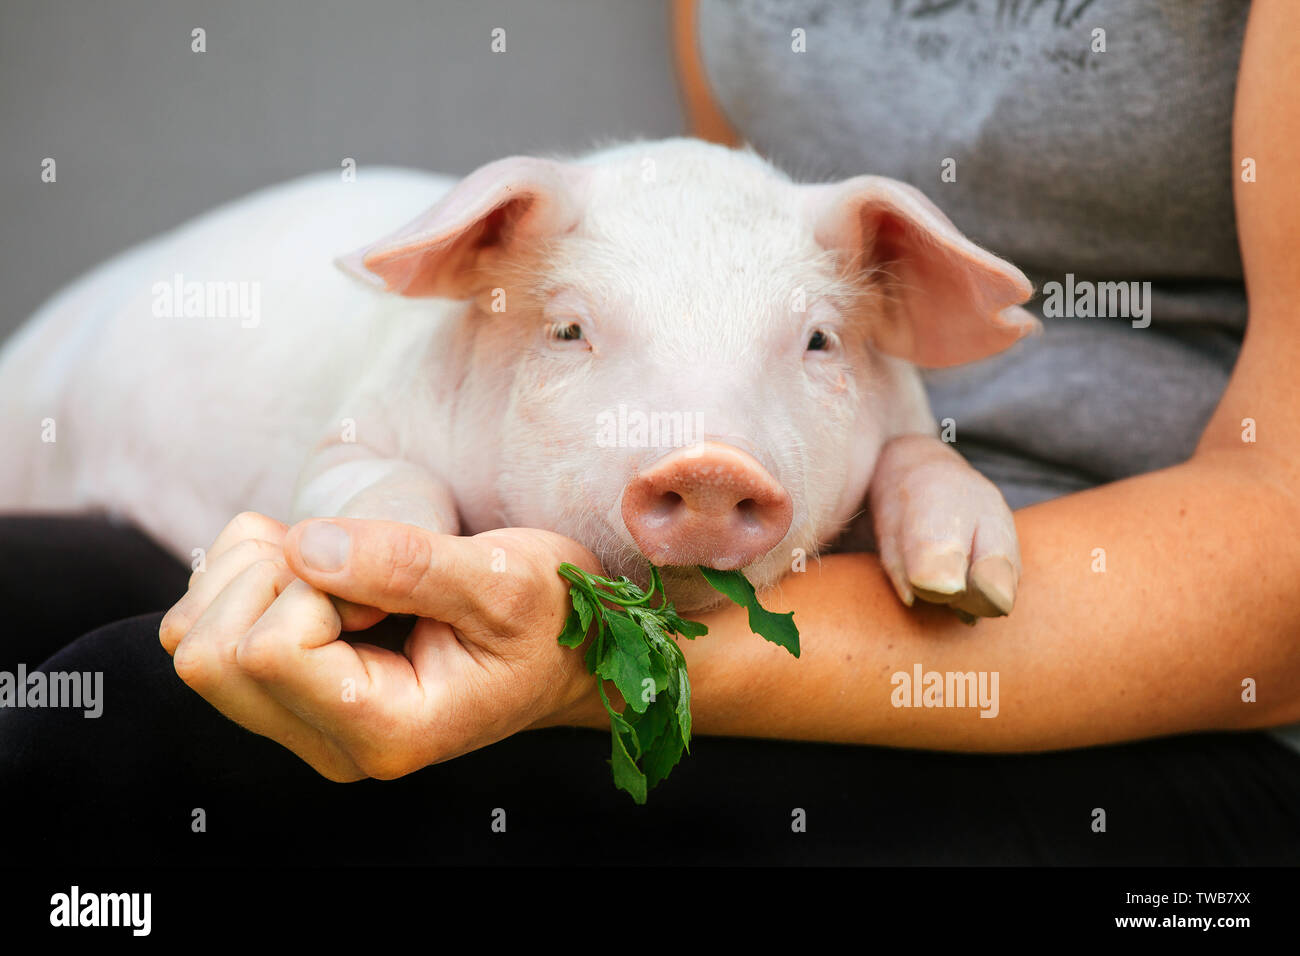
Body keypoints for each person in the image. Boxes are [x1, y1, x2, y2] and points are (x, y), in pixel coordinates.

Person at [2, 0, 1298, 864]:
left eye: (819, 343)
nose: (696, 439)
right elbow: (704, 233)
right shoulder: (475, 346)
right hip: (146, 444)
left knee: (139, 732)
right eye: (568, 333)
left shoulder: (885, 405)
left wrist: (596, 661)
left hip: (1149, 695)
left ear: (905, 286)